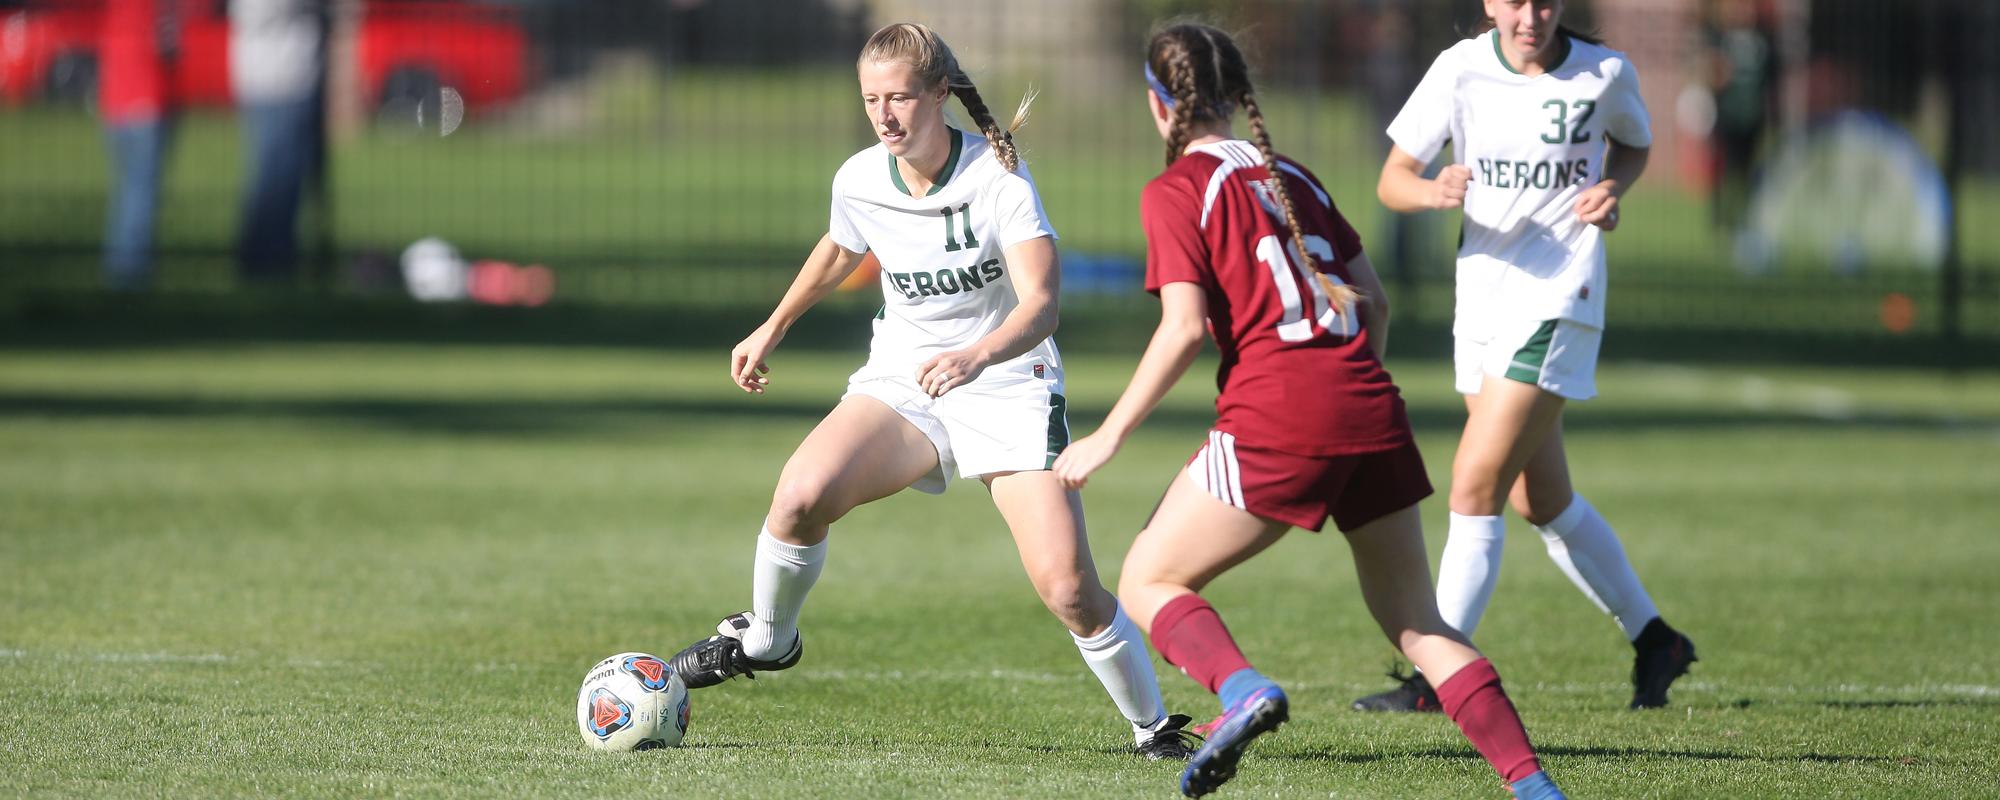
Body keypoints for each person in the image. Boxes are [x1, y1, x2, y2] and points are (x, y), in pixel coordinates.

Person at [1053, 22, 1566, 800]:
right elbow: (1375, 303)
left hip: (1281, 412)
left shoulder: (1177, 189)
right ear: (1237, 97)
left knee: (1150, 579)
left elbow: (1184, 328)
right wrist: (1349, 396)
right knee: (1419, 623)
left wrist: (1108, 434)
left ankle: (1243, 692)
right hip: (1371, 403)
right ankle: (1532, 786)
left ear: (1159, 105)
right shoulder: (1295, 175)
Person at [664, 22, 1200, 760]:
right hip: (906, 377)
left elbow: (1042, 304)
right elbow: (840, 247)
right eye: (870, 100)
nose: (885, 116)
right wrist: (773, 325)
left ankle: (1153, 728)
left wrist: (979, 354)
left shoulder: (999, 179)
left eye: (900, 98)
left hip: (1006, 379)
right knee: (798, 497)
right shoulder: (859, 178)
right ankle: (769, 637)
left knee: (1068, 589)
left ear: (940, 93)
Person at [1352, 0, 1697, 714]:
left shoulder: (1604, 73)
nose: (1530, 16)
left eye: (1544, 1)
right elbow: (1393, 178)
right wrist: (1430, 190)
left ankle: (1434, 677)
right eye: (1514, 1)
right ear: (1489, 4)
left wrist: (1612, 187)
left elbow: (1633, 145)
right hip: (1483, 301)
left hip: (1559, 297)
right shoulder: (1460, 70)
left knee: (1474, 483)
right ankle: (1657, 640)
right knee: (1540, 499)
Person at [231, 0, 327, 284]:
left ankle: (279, 259)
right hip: (274, 81)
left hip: (294, 77)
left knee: (290, 179)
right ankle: (262, 261)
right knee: (273, 178)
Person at [99, 0, 180, 291]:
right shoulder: (159, 6)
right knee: (140, 195)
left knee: (126, 193)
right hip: (148, 101)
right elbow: (168, 46)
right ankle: (130, 273)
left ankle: (119, 265)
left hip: (115, 104)